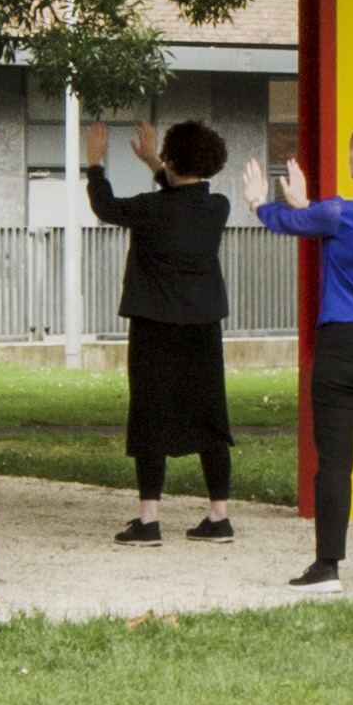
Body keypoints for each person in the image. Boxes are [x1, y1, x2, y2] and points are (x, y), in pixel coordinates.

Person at [245, 119, 353, 588]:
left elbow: (286, 222)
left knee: (336, 463)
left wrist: (260, 201)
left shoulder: (340, 213)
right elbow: (320, 219)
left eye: (350, 151)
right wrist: (306, 204)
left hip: (343, 346)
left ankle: (328, 566)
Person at [81, 115, 235, 541]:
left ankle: (149, 521)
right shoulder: (217, 207)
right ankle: (219, 516)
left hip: (155, 326)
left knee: (149, 416)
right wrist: (154, 160)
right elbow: (180, 197)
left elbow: (105, 206)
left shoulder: (150, 210)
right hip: (203, 326)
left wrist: (95, 164)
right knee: (210, 416)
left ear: (171, 160)